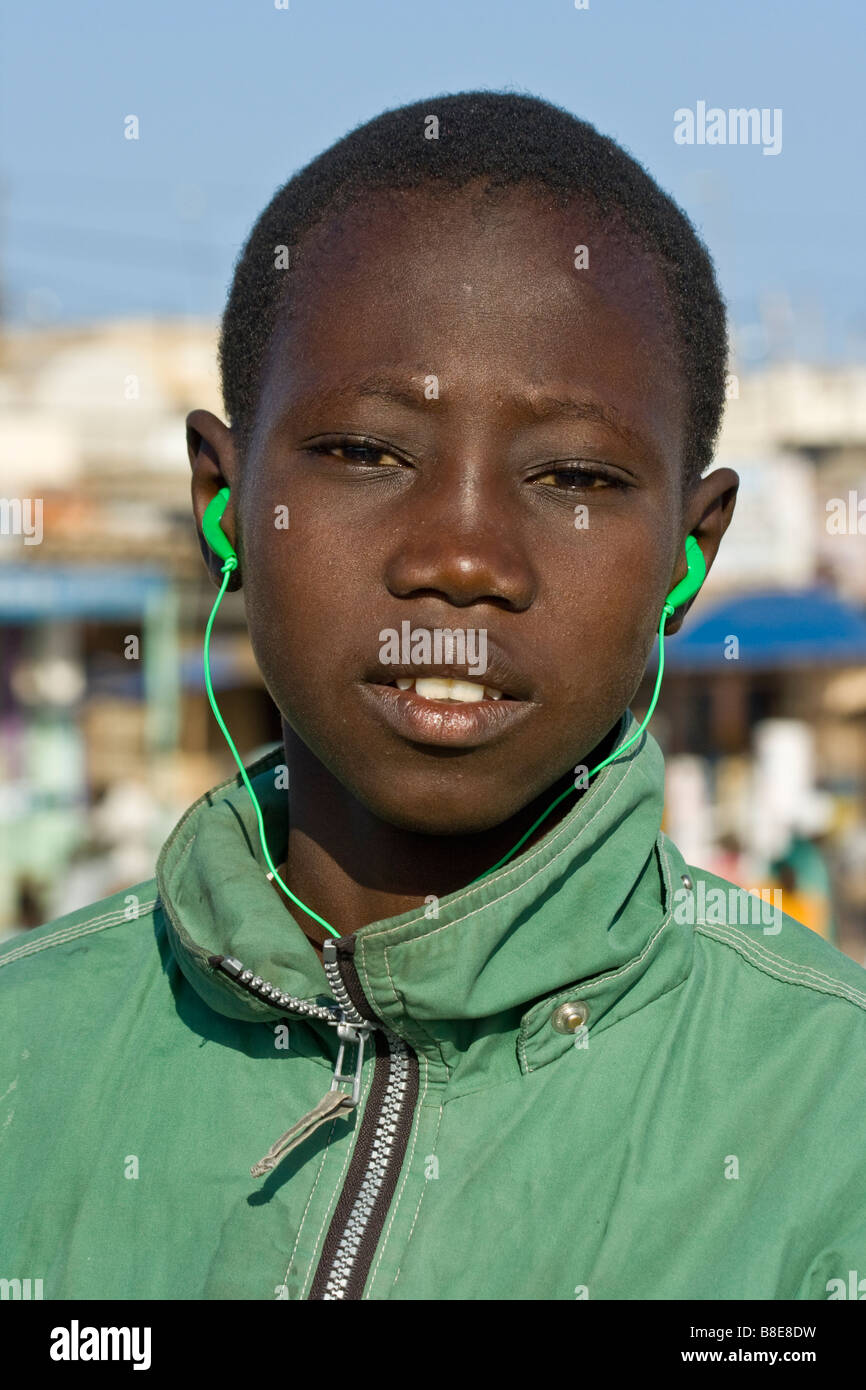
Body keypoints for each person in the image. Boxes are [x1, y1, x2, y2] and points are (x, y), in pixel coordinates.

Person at [2, 92, 864, 1301]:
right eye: (365, 452)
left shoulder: (831, 1118)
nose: (461, 558)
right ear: (223, 500)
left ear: (687, 554)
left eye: (572, 474)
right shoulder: (24, 1058)